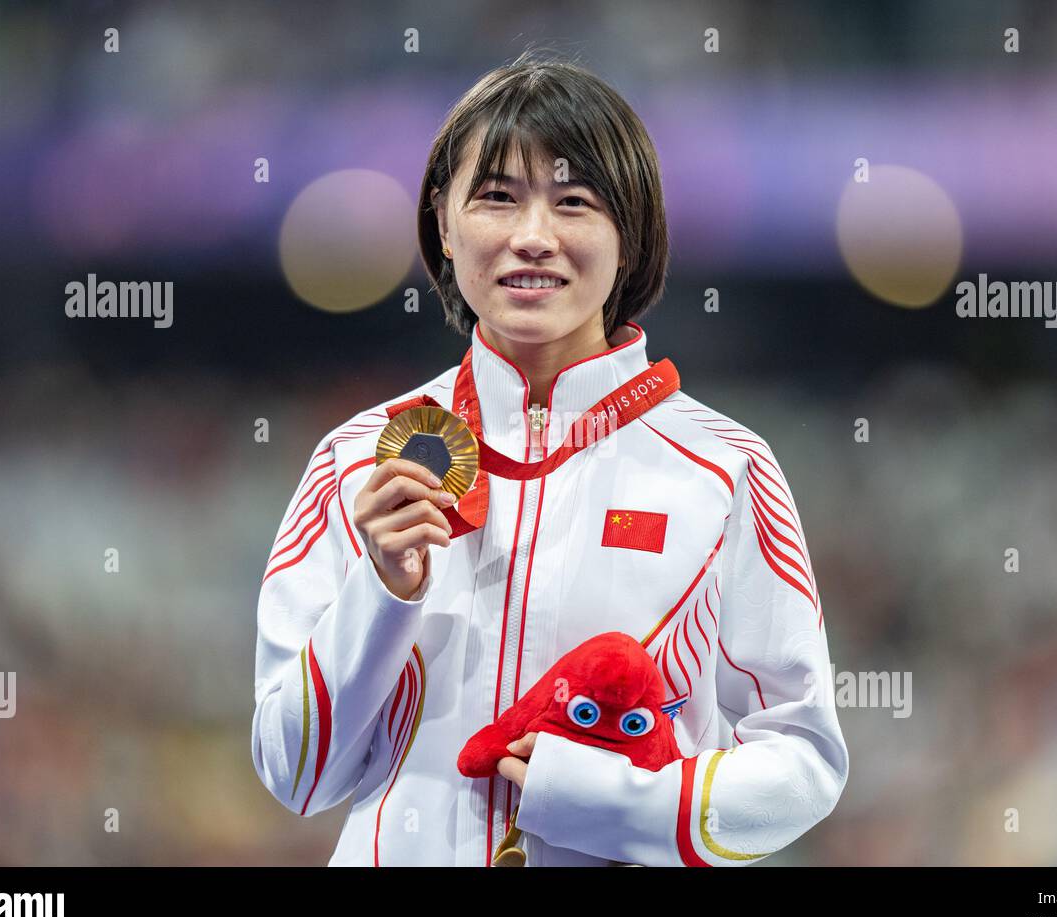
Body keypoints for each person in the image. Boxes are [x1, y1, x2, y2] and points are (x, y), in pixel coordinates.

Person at [251, 50, 849, 866]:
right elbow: (295, 775)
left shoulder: (725, 471)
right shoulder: (357, 462)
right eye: (496, 198)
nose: (533, 238)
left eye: (574, 203)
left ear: (629, 235)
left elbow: (805, 761)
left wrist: (605, 803)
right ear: (442, 221)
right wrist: (382, 594)